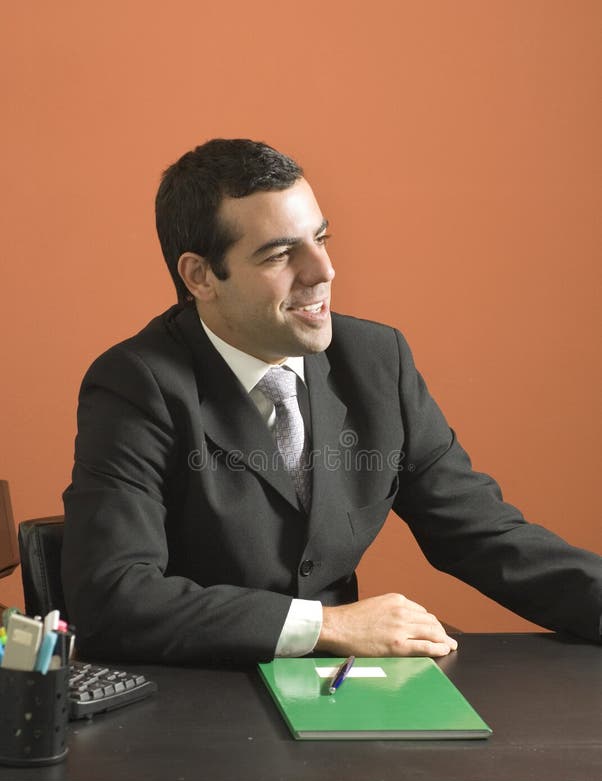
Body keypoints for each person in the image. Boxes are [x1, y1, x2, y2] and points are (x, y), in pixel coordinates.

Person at [61, 138, 601, 665]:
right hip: (198, 706)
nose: (323, 272)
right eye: (279, 254)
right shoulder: (136, 384)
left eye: (321, 239)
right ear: (201, 276)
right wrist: (327, 625)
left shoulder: (376, 359)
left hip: (343, 694)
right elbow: (114, 599)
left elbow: (484, 535)